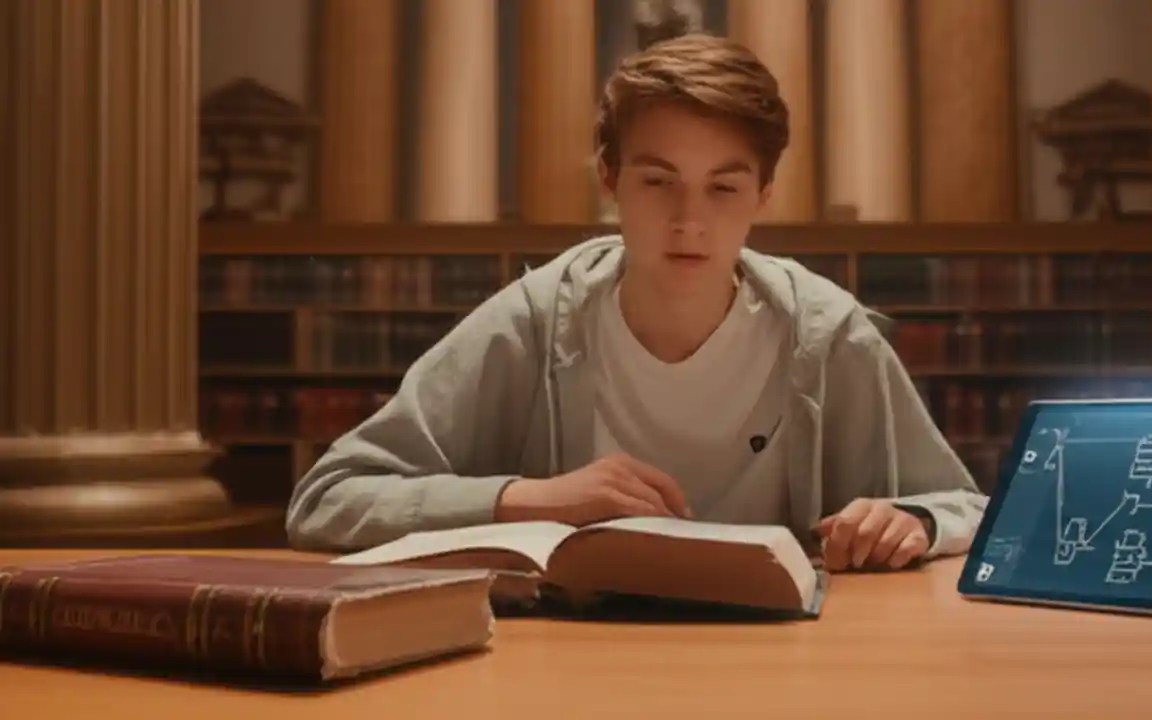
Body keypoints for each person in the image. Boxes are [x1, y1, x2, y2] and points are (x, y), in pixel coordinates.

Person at [286, 33, 987, 572]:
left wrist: (916, 522)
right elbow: (327, 498)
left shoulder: (828, 332)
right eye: (658, 182)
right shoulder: (535, 318)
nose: (690, 220)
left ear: (764, 195)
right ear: (610, 178)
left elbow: (966, 506)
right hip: (567, 661)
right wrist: (528, 498)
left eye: (723, 187)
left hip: (786, 660)